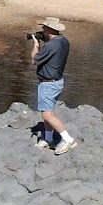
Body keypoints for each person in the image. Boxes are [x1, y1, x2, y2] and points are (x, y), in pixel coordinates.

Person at [30, 17, 77, 155]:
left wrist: (36, 44)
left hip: (48, 85)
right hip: (57, 82)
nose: (42, 30)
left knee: (47, 115)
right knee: (48, 112)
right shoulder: (63, 41)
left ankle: (68, 140)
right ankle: (48, 139)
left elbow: (34, 60)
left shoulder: (50, 46)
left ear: (50, 29)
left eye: (44, 28)